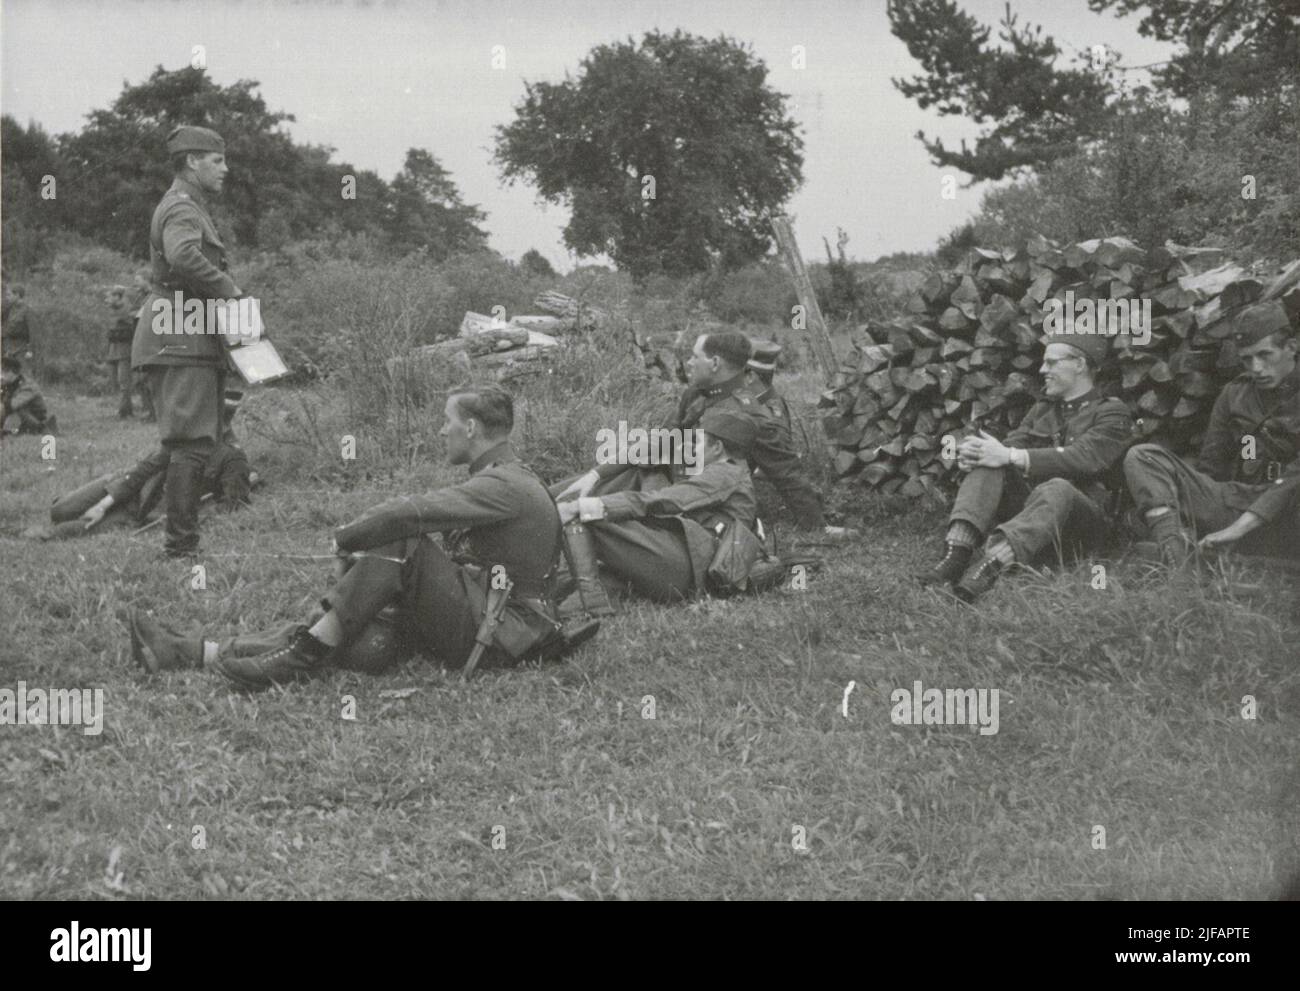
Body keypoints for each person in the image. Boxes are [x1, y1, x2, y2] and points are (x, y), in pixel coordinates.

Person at [128, 386, 574, 691]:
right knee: (361, 642)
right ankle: (190, 651)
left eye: (447, 421)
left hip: (500, 635)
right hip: (487, 617)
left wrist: (346, 538)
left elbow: (409, 513)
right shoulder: (505, 477)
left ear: (472, 428)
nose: (441, 431)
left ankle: (302, 656)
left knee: (403, 538)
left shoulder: (504, 485)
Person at [557, 331, 849, 539]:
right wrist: (595, 474)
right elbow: (663, 443)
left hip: (686, 504)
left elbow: (788, 475)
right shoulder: (695, 394)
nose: (688, 363)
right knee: (567, 491)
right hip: (654, 479)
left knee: (584, 510)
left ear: (715, 363)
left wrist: (816, 525)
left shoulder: (755, 416)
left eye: (695, 357)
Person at [917, 333, 1135, 601]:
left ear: (1079, 364)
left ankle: (991, 564)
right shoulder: (1044, 408)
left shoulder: (1112, 412)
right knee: (990, 460)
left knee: (1055, 487)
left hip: (1083, 525)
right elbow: (1010, 446)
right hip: (1035, 518)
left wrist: (1009, 454)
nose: (1043, 370)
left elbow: (1085, 457)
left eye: (1052, 363)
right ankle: (956, 555)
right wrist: (976, 454)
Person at [131, 124, 242, 557]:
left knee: (193, 441)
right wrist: (228, 288)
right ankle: (180, 548)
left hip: (186, 331)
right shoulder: (182, 208)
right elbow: (181, 255)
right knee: (190, 443)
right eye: (217, 161)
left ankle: (181, 543)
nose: (225, 169)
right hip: (179, 333)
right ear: (192, 161)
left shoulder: (189, 204)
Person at [1124, 300, 1299, 562]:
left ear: (1291, 348)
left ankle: (1240, 550)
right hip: (1241, 503)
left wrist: (1237, 529)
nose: (1256, 369)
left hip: (1289, 511)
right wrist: (1189, 504)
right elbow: (1211, 467)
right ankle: (1175, 552)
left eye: (1265, 355)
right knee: (1142, 456)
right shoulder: (1235, 394)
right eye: (1247, 359)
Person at [556, 408, 759, 609]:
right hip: (688, 567)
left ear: (717, 447)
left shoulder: (726, 474)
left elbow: (670, 499)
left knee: (584, 515)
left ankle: (591, 601)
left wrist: (593, 505)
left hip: (686, 567)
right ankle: (585, 595)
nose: (693, 449)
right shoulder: (734, 472)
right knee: (588, 577)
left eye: (698, 442)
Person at [37, 440, 252, 540]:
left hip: (141, 510)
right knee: (58, 511)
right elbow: (142, 471)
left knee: (72, 529)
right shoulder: (181, 436)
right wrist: (102, 505)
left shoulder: (232, 457)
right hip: (125, 484)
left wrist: (190, 517)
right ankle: (76, 501)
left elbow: (231, 502)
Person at [1, 355, 56, 435]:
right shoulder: (8, 384)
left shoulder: (28, 386)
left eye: (3, 371)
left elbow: (11, 405)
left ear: (13, 372)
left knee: (12, 409)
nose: (1, 376)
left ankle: (40, 428)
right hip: (20, 418)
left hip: (34, 419)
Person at [105, 286, 138, 418]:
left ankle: (125, 411)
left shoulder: (126, 309)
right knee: (116, 381)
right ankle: (124, 408)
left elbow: (127, 318)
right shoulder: (113, 310)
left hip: (125, 349)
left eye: (110, 297)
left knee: (124, 381)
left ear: (118, 297)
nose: (107, 300)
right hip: (113, 348)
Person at [2, 284, 33, 360]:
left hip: (22, 350)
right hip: (9, 347)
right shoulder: (10, 308)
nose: (7, 297)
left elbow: (33, 332)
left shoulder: (27, 310)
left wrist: (30, 350)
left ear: (17, 295)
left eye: (9, 295)